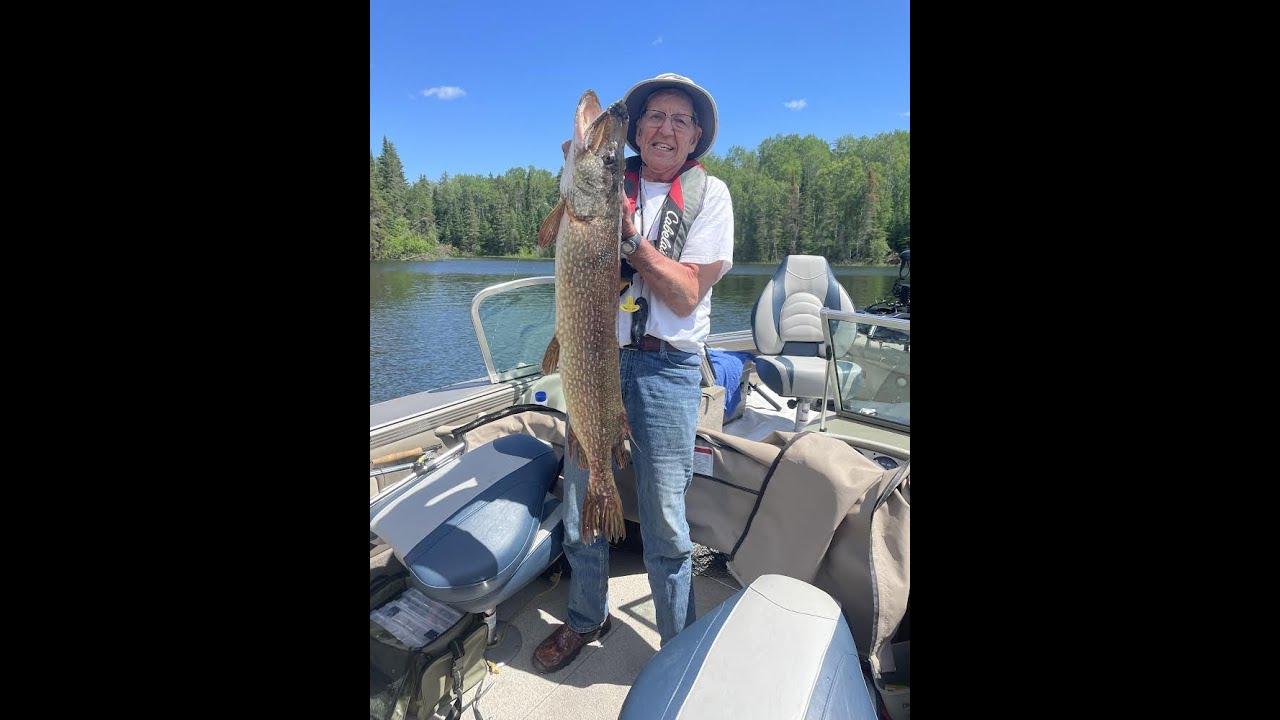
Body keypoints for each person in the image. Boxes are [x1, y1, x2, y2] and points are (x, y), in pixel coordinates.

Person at [534, 73, 735, 673]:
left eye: (680, 120)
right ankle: (585, 616)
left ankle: (678, 648)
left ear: (696, 135)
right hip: (596, 358)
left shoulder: (709, 196)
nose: (664, 128)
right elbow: (560, 212)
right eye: (654, 117)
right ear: (639, 130)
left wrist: (629, 238)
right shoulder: (602, 181)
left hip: (667, 371)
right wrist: (581, 161)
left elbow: (683, 294)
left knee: (667, 521)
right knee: (580, 500)